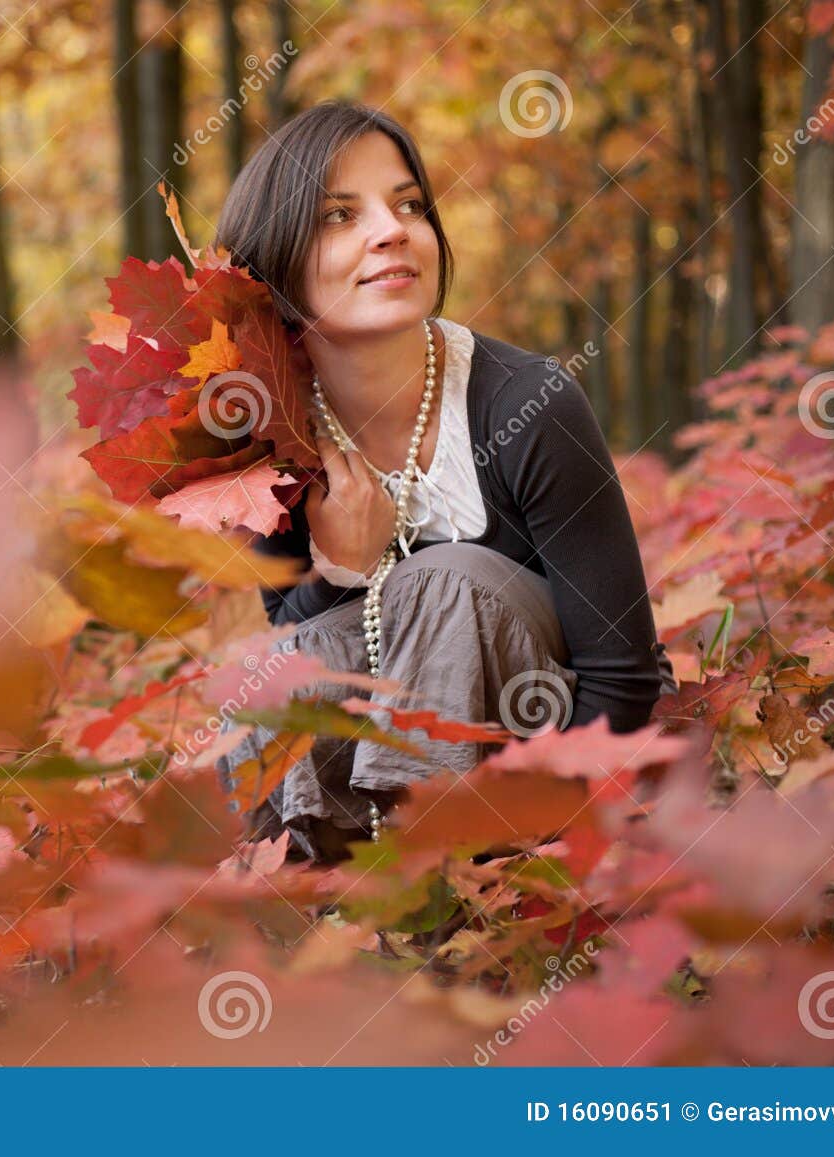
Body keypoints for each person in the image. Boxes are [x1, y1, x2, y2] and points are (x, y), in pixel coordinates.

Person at [211, 100, 676, 863]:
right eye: (339, 215)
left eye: (409, 205)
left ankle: (441, 883)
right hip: (371, 778)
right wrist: (339, 568)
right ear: (274, 265)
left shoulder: (527, 404)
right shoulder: (265, 438)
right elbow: (303, 642)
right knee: (276, 672)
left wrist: (554, 853)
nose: (391, 229)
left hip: (546, 761)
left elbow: (621, 681)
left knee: (439, 582)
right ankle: (324, 892)